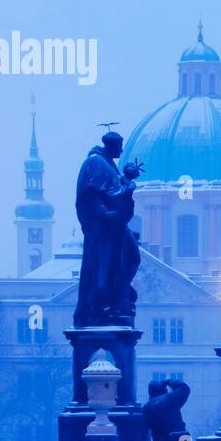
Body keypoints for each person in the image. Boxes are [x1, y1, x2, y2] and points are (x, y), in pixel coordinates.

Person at [73, 130, 143, 328]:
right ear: (111, 145)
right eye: (120, 146)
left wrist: (127, 177)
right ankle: (102, 305)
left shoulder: (108, 164)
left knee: (130, 258)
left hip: (116, 226)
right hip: (104, 228)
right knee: (104, 266)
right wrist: (103, 214)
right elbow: (91, 195)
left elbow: (113, 189)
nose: (122, 149)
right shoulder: (95, 162)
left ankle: (118, 298)